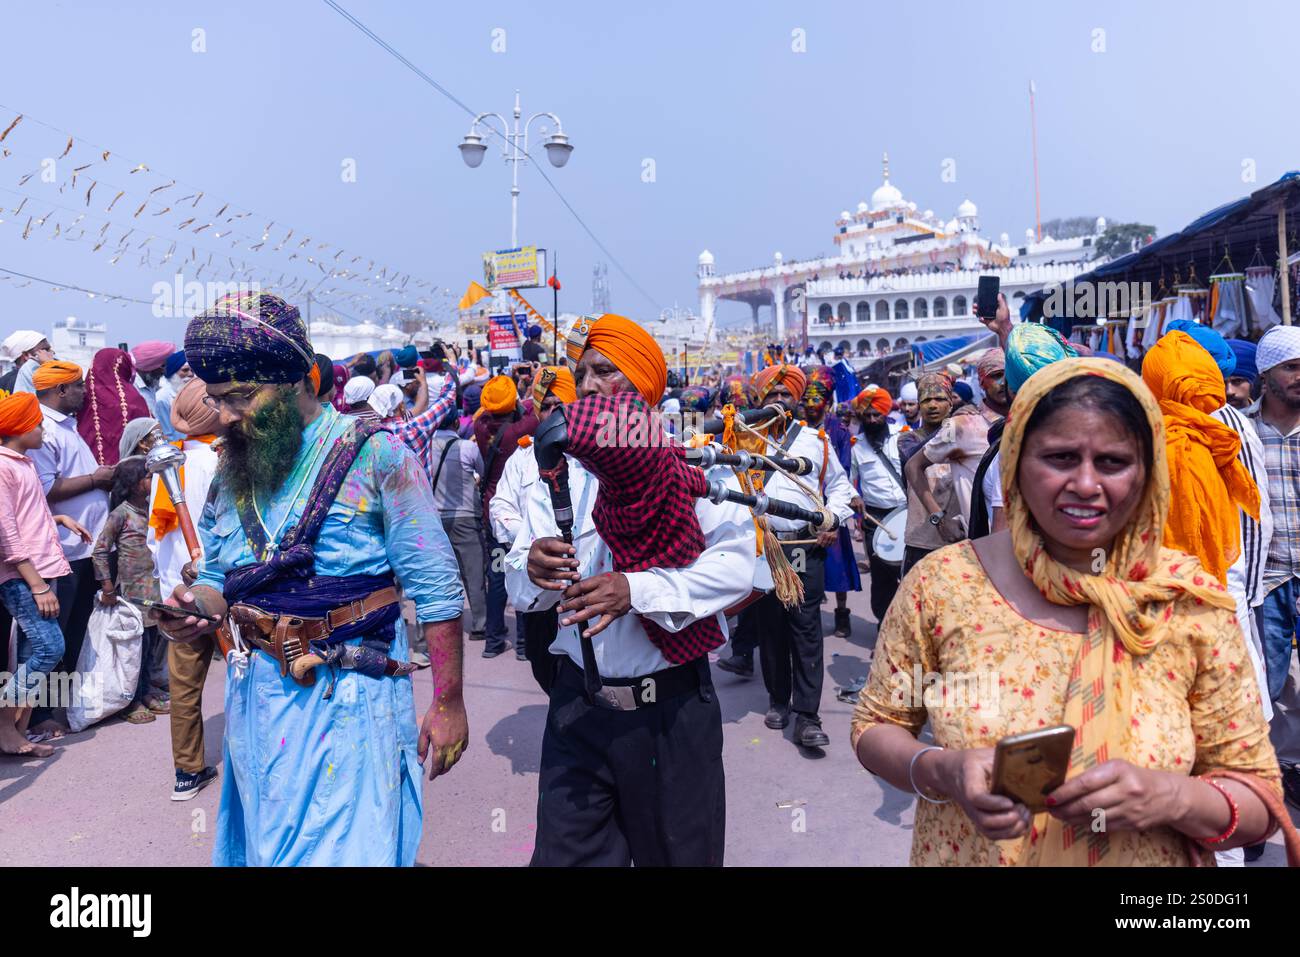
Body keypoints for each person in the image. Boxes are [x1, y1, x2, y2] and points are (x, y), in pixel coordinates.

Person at [852, 358, 1284, 865]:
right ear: (1015, 462)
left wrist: (1171, 798)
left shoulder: (1185, 600)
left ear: (1148, 472)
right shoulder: (945, 585)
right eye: (1059, 458)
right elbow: (877, 725)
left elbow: (1260, 801)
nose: (1084, 484)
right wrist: (941, 770)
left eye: (1112, 462)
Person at [160, 291, 468, 866]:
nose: (226, 416)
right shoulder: (232, 470)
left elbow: (437, 591)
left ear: (297, 379)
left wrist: (448, 702)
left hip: (350, 698)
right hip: (261, 704)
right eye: (220, 401)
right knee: (269, 843)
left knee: (347, 846)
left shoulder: (379, 458)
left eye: (241, 398)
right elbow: (216, 576)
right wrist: (196, 606)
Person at [505, 313, 755, 865]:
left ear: (642, 385)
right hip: (578, 709)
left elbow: (737, 568)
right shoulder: (548, 467)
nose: (589, 386)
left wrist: (635, 590)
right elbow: (518, 580)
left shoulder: (693, 462)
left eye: (604, 372)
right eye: (582, 373)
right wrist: (531, 570)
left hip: (670, 714)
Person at [743, 363, 855, 748]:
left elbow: (840, 488)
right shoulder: (741, 441)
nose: (777, 401)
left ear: (796, 399)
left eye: (784, 395)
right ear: (759, 399)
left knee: (805, 629)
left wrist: (832, 519)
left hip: (803, 548)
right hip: (764, 549)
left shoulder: (816, 441)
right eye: (770, 395)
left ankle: (807, 716)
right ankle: (778, 700)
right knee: (770, 627)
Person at [27, 360, 114, 735]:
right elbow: (45, 488)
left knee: (76, 630)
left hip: (85, 547)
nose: (84, 392)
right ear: (61, 390)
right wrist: (96, 478)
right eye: (78, 386)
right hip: (60, 551)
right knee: (52, 637)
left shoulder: (66, 426)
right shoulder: (43, 430)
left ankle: (57, 706)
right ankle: (38, 715)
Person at [0, 392, 89, 757]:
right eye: (36, 423)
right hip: (23, 576)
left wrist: (57, 518)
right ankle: (6, 724)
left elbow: (23, 514)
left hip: (39, 568)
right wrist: (37, 586)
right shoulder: (4, 467)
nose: (42, 429)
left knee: (28, 654)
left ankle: (18, 733)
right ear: (20, 427)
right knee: (50, 647)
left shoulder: (21, 462)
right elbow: (7, 533)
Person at [148, 377, 224, 799]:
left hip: (178, 592)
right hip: (226, 592)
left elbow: (153, 540)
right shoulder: (223, 463)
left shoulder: (172, 465)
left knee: (184, 687)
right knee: (249, 675)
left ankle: (187, 772)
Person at [490, 366, 576, 682]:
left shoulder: (591, 457)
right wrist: (531, 536)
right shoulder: (522, 457)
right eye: (547, 405)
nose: (553, 412)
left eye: (560, 404)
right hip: (540, 592)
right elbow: (500, 507)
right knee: (545, 670)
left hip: (586, 589)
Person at [1248, 325, 1300, 807]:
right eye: (1292, 367)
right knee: (1267, 684)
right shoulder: (1242, 433)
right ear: (1266, 376)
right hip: (1268, 578)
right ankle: (1266, 784)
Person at [968, 323, 1078, 539]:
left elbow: (1002, 539)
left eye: (1004, 375)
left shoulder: (1017, 449)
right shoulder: (1092, 434)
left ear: (1011, 387)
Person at [92, 457, 169, 724]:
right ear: (136, 485)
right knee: (134, 649)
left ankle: (145, 692)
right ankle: (131, 700)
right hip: (133, 593)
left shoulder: (152, 508)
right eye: (148, 476)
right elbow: (100, 550)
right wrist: (107, 585)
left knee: (151, 646)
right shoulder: (121, 514)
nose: (152, 481)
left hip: (154, 589)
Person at [474, 375, 538, 659]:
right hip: (517, 516)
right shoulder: (521, 429)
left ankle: (493, 640)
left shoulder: (480, 425)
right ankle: (524, 644)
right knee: (523, 573)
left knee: (497, 576)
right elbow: (536, 405)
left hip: (492, 515)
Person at [801, 367, 862, 638]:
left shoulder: (838, 430)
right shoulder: (795, 430)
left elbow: (843, 472)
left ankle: (841, 614)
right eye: (807, 399)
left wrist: (836, 514)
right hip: (802, 509)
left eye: (818, 399)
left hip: (831, 507)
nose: (812, 406)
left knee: (838, 565)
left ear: (827, 401)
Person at [848, 385, 906, 624]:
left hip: (907, 512)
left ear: (886, 413)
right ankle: (884, 629)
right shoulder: (856, 445)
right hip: (876, 519)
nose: (872, 420)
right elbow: (847, 481)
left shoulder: (903, 435)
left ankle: (909, 633)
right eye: (868, 415)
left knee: (910, 574)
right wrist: (854, 496)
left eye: (877, 415)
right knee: (882, 578)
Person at [77, 348, 151, 466]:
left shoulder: (82, 396)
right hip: (129, 472)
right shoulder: (133, 399)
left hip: (88, 473)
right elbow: (149, 432)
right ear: (125, 368)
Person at [130, 340, 175, 419]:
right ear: (149, 365)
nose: (164, 371)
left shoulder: (151, 384)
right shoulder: (132, 387)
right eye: (163, 366)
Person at [154, 351, 193, 440]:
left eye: (192, 370)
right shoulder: (162, 398)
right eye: (185, 370)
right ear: (173, 372)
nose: (190, 374)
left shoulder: (192, 392)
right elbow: (168, 434)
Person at [1226, 339, 1259, 412]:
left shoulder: (1267, 419)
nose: (1229, 392)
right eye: (1222, 383)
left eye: (1237, 381)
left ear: (1251, 383)